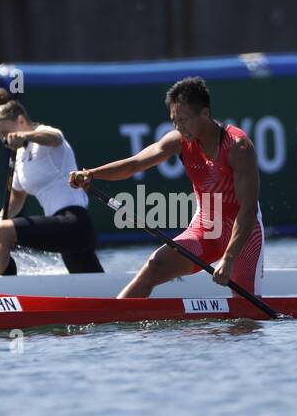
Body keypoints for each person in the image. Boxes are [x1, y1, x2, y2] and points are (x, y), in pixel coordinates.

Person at [69, 76, 263, 297]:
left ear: (205, 114)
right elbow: (134, 164)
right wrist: (92, 174)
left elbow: (248, 210)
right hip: (206, 227)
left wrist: (228, 258)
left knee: (245, 316)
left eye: (184, 119)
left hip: (244, 232)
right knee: (155, 266)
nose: (179, 127)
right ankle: (112, 321)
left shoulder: (238, 146)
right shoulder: (179, 140)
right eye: (174, 121)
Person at [0, 89, 104, 275]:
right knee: (97, 290)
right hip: (61, 231)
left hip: (75, 223)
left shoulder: (44, 135)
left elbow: (55, 138)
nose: (4, 139)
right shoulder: (20, 157)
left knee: (4, 232)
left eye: (6, 132)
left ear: (21, 121)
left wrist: (25, 136)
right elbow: (16, 198)